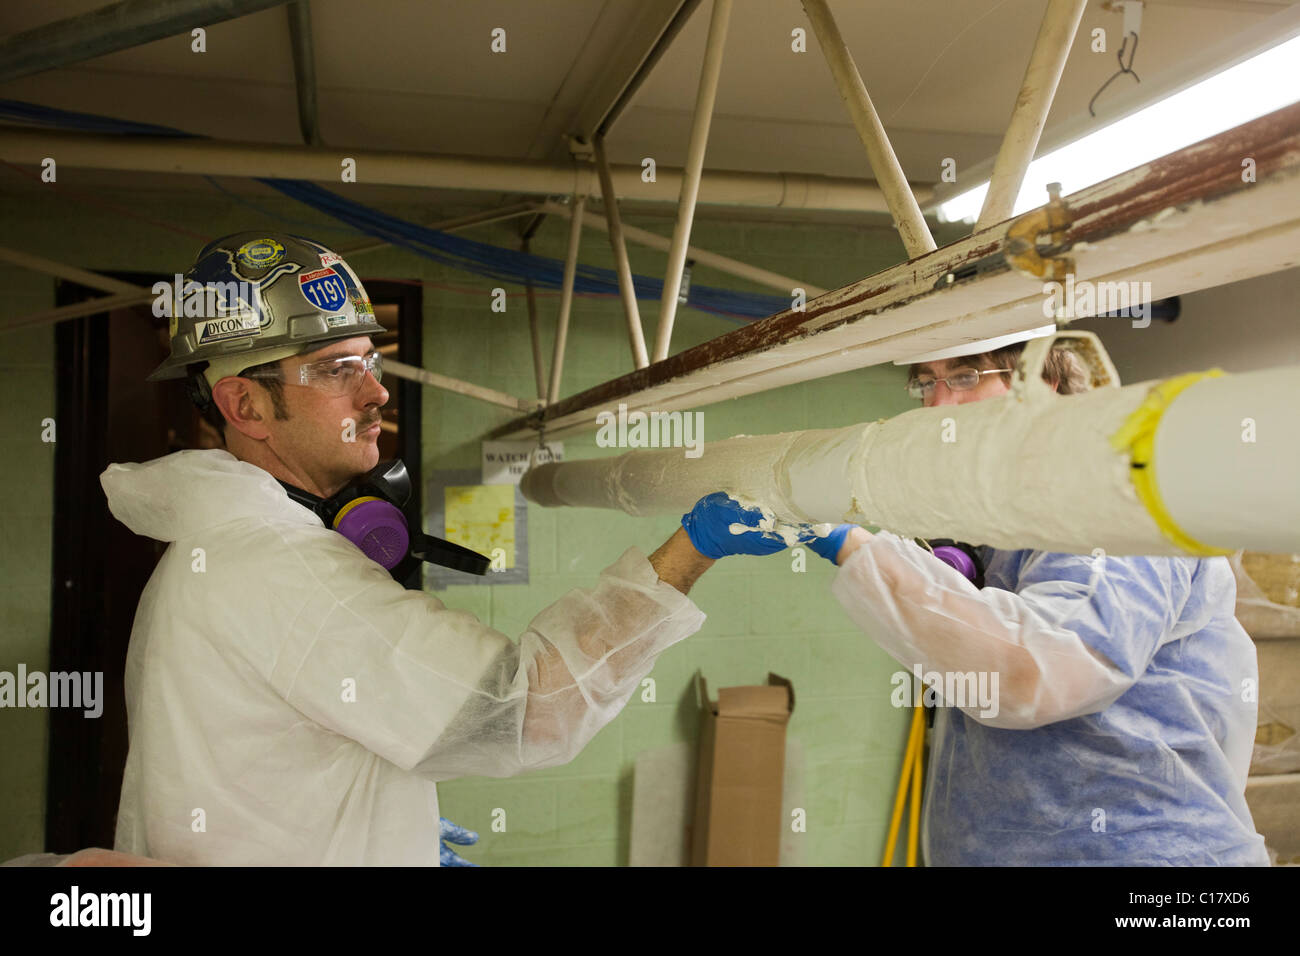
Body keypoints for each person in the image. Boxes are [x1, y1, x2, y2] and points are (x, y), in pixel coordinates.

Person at [100, 232, 791, 866]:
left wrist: (386, 825)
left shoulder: (212, 551)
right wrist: (688, 553)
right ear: (245, 406)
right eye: (338, 369)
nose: (377, 391)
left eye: (369, 363)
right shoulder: (281, 567)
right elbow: (526, 711)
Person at [802, 327, 1269, 866]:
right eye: (926, 382)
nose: (938, 404)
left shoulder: (1114, 491)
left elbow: (1045, 672)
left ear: (1044, 378)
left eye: (965, 376)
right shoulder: (1007, 510)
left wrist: (853, 548)